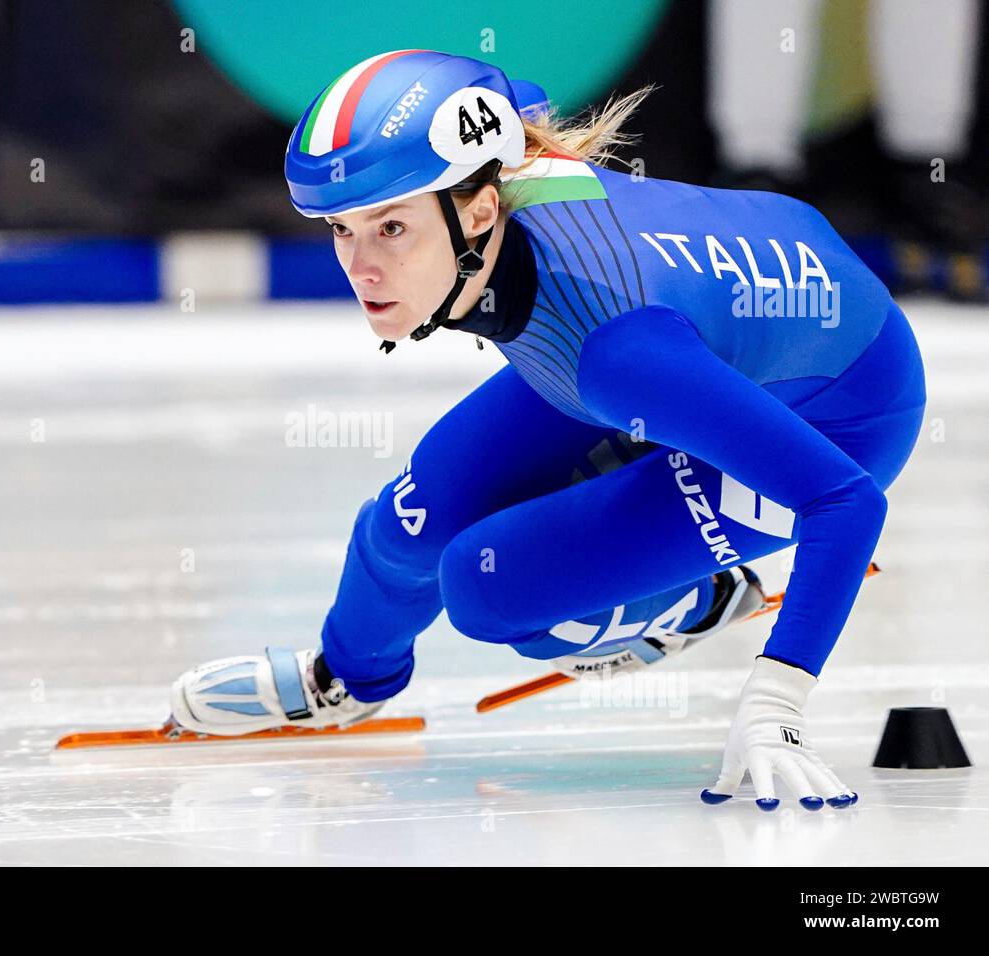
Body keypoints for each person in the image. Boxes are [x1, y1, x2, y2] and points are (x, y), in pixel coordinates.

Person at [169, 50, 926, 812]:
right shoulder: (501, 163)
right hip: (705, 337)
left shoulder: (615, 352)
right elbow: (509, 95)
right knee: (412, 521)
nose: (361, 268)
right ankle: (342, 680)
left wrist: (778, 701)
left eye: (391, 228)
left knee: (491, 587)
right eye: (342, 229)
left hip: (837, 412)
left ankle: (695, 600)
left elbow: (846, 502)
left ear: (478, 211)